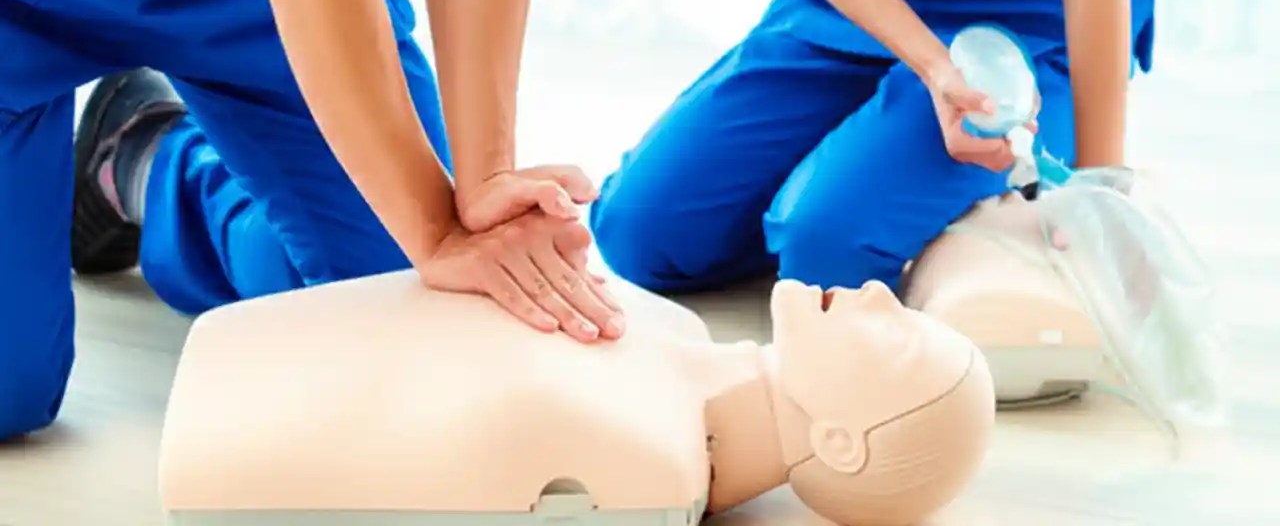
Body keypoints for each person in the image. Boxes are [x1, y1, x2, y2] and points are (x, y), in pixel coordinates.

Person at [0, 0, 622, 442]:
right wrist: (435, 231)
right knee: (6, 391)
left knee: (401, 297)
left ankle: (140, 157)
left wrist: (485, 178)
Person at [590, 0, 1201, 294]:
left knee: (825, 250)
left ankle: (892, 195)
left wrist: (1099, 191)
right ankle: (867, 179)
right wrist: (933, 66)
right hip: (843, 7)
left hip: (1024, 25)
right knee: (640, 233)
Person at [159, 273, 993, 525]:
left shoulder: (644, 463)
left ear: (841, 443)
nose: (880, 292)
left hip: (224, 434)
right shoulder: (671, 331)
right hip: (243, 364)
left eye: (898, 337)